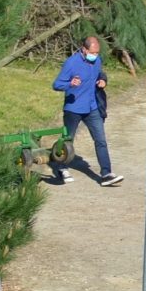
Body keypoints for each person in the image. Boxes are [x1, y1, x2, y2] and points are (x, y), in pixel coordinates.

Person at [50, 34, 123, 187]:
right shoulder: (71, 63)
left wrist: (103, 80)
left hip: (92, 107)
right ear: (84, 50)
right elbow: (56, 84)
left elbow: (99, 73)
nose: (95, 56)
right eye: (92, 53)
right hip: (73, 109)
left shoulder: (97, 60)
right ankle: (61, 168)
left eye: (97, 53)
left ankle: (106, 174)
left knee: (100, 140)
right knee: (68, 140)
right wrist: (70, 84)